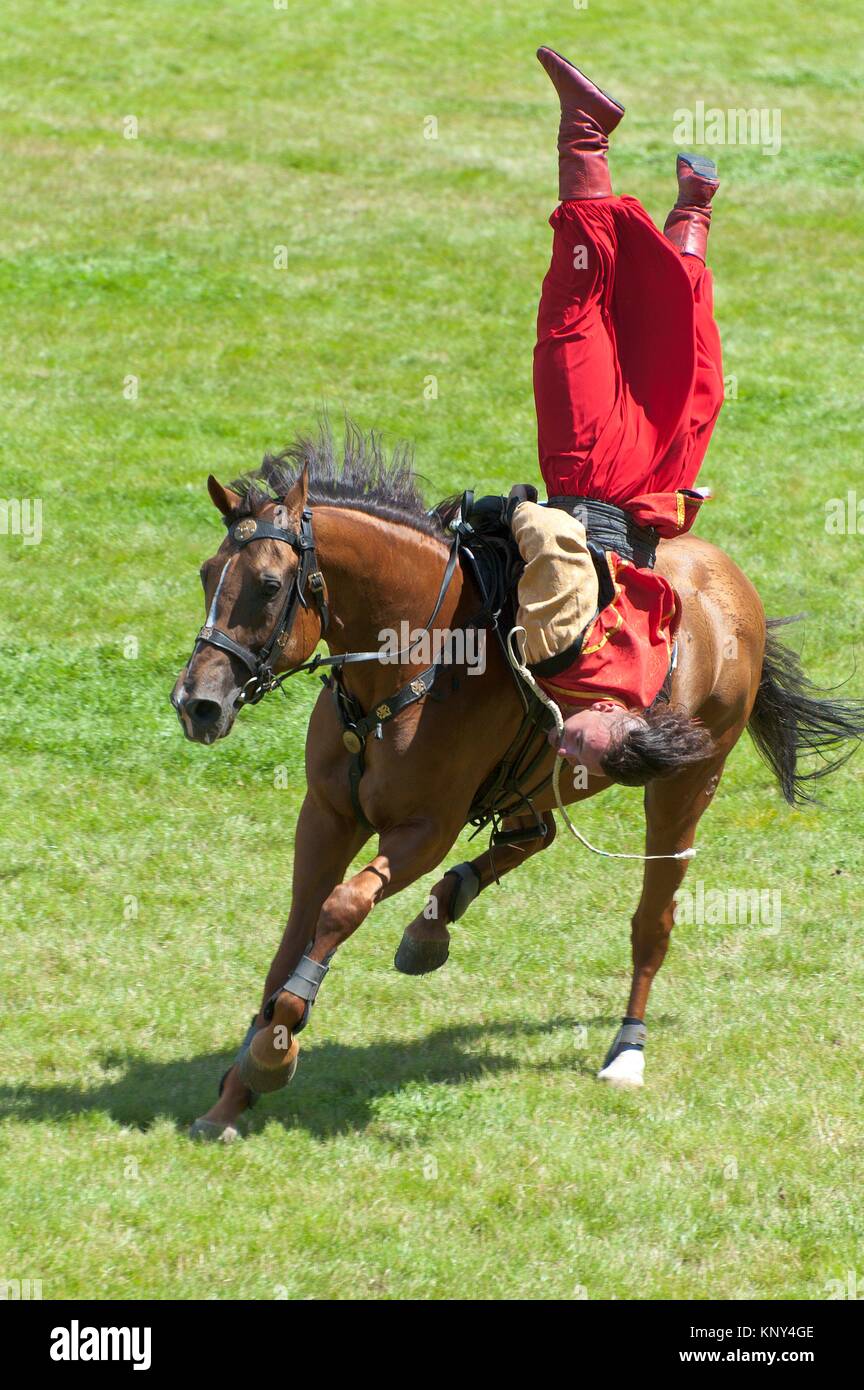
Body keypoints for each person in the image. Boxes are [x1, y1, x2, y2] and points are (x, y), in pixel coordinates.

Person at [512, 47, 724, 783]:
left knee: (677, 351)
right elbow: (556, 546)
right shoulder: (569, 656)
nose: (564, 748)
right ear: (618, 722)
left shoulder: (647, 680)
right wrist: (506, 513)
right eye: (582, 748)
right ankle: (586, 131)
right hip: (588, 468)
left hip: (657, 485)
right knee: (574, 313)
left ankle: (693, 206)